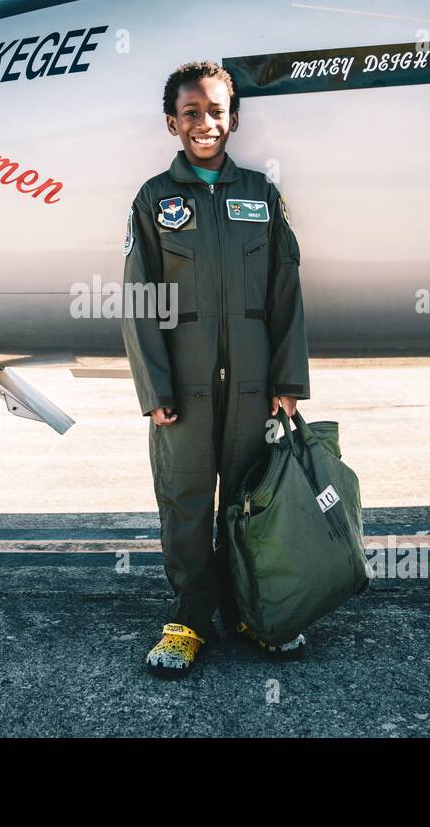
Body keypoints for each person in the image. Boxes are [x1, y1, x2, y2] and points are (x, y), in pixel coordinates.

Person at [121, 60, 311, 678]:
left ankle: (257, 614)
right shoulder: (155, 199)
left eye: (216, 111)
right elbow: (140, 301)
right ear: (172, 122)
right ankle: (187, 624)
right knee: (185, 504)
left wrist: (286, 383)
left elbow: (286, 293)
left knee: (252, 504)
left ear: (234, 119)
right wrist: (154, 389)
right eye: (192, 113)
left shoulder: (262, 195)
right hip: (182, 389)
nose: (205, 124)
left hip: (256, 387)